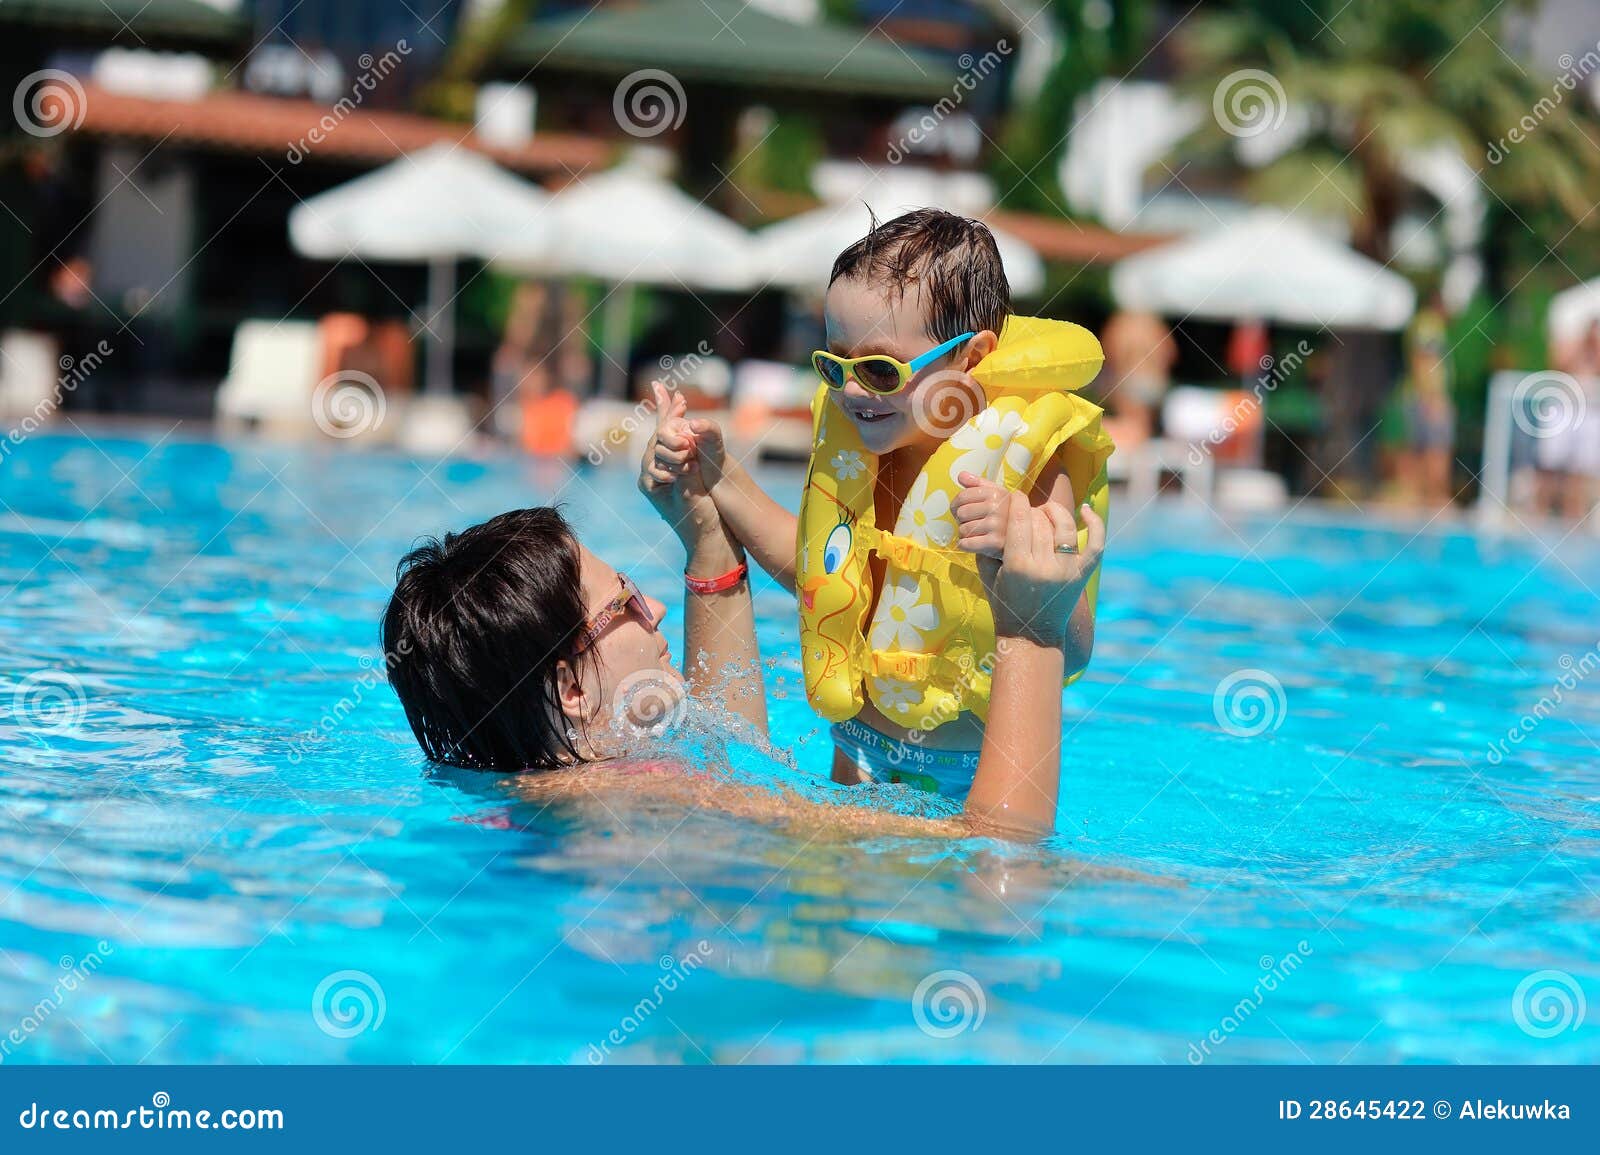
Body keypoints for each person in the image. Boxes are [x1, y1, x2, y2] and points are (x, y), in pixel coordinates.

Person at [381, 380, 1104, 840]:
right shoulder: (646, 804)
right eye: (625, 601)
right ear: (571, 688)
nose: (652, 607)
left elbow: (737, 758)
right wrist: (1031, 629)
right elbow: (997, 855)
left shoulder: (573, 794)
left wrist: (705, 539)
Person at [646, 209, 1113, 801]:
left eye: (878, 369)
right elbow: (821, 571)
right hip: (854, 750)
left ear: (970, 357)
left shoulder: (1026, 467)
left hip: (968, 775)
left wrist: (1019, 549)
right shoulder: (866, 445)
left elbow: (1070, 646)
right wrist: (717, 474)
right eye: (834, 362)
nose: (851, 389)